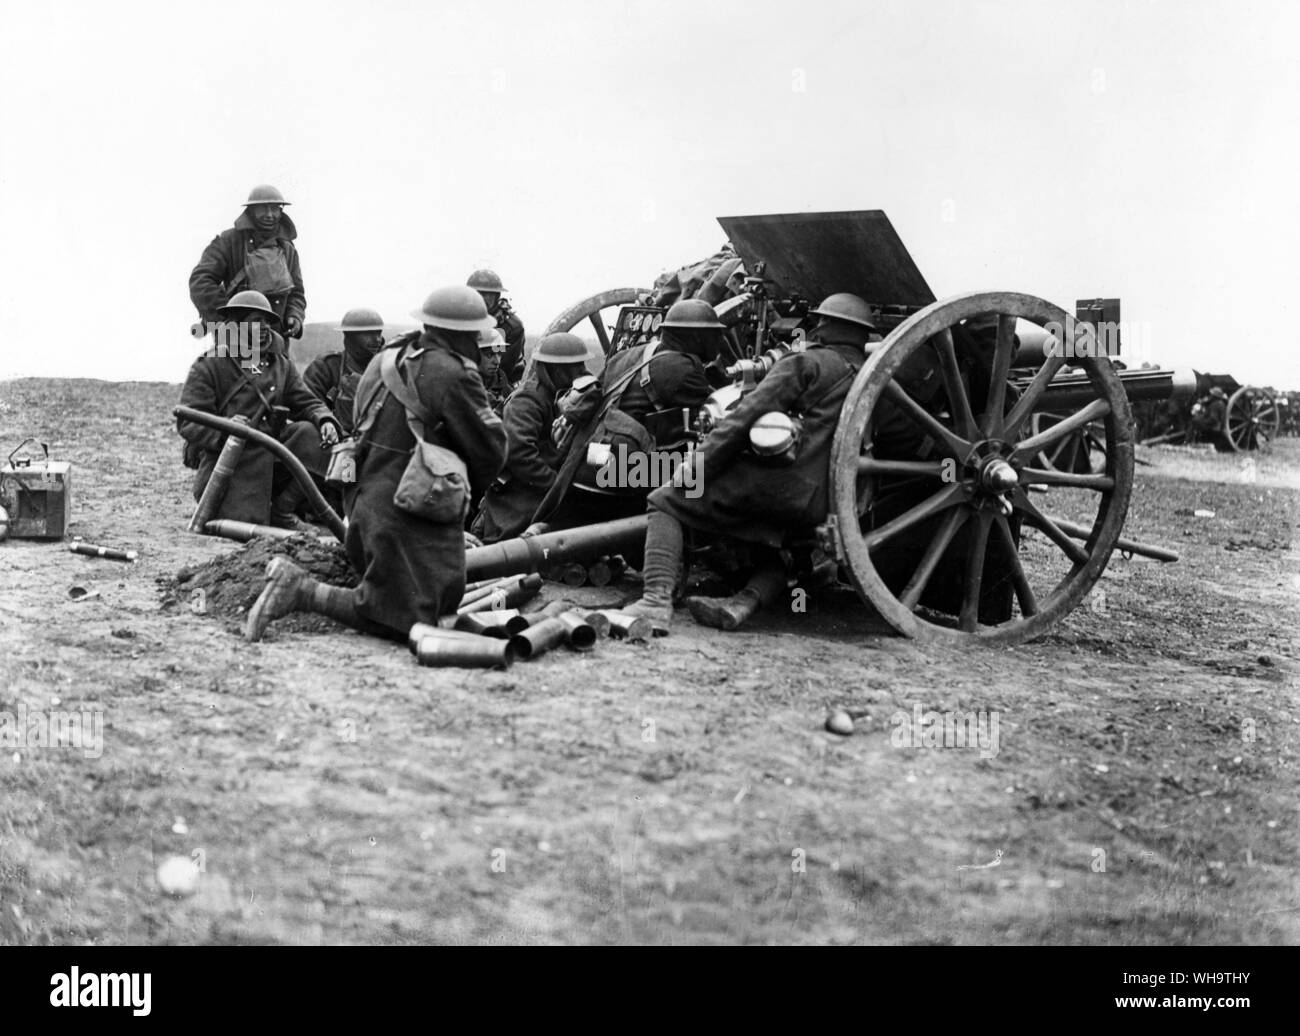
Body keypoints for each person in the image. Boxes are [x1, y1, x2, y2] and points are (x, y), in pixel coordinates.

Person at [245, 285, 507, 642]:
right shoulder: (454, 372)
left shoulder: (386, 359)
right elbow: (491, 451)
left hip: (364, 504)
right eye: (475, 333)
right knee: (405, 620)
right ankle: (301, 590)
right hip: (411, 509)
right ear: (461, 334)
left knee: (432, 608)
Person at [622, 292, 877, 631]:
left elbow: (744, 419)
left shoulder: (808, 363)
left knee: (666, 500)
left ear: (824, 325)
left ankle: (654, 602)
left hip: (779, 490)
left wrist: (697, 466)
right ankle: (743, 603)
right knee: (778, 543)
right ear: (863, 335)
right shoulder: (877, 377)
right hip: (832, 505)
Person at [532, 297, 728, 528]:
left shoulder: (629, 355)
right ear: (696, 337)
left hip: (591, 460)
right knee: (703, 480)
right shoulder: (681, 370)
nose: (719, 341)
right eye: (714, 334)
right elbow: (720, 415)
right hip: (618, 472)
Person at [177, 290, 340, 530]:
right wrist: (226, 431)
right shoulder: (210, 365)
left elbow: (306, 401)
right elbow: (188, 421)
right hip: (230, 457)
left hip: (271, 450)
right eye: (256, 321)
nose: (264, 327)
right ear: (237, 325)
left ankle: (283, 509)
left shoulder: (280, 364)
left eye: (267, 321)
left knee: (309, 433)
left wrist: (324, 419)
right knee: (237, 525)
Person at [471, 332, 590, 542]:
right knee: (514, 548)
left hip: (538, 481)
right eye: (575, 367)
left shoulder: (557, 394)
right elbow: (520, 454)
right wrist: (557, 488)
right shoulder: (528, 400)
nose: (582, 372)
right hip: (518, 491)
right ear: (555, 369)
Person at [190, 185, 307, 339]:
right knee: (239, 363)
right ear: (251, 211)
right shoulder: (228, 242)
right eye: (263, 209)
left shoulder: (287, 248)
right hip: (235, 337)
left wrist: (294, 316)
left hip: (274, 337)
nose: (270, 214)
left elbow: (296, 292)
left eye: (275, 208)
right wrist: (228, 316)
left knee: (276, 364)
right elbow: (200, 281)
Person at [303, 308, 386, 435]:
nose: (377, 339)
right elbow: (309, 405)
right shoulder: (326, 367)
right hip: (335, 440)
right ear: (350, 336)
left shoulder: (388, 368)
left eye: (378, 333)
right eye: (368, 333)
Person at [467, 269, 526, 389]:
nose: (483, 298)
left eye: (489, 294)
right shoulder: (462, 320)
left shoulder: (510, 326)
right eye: (479, 293)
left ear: (497, 296)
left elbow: (500, 367)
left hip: (506, 380)